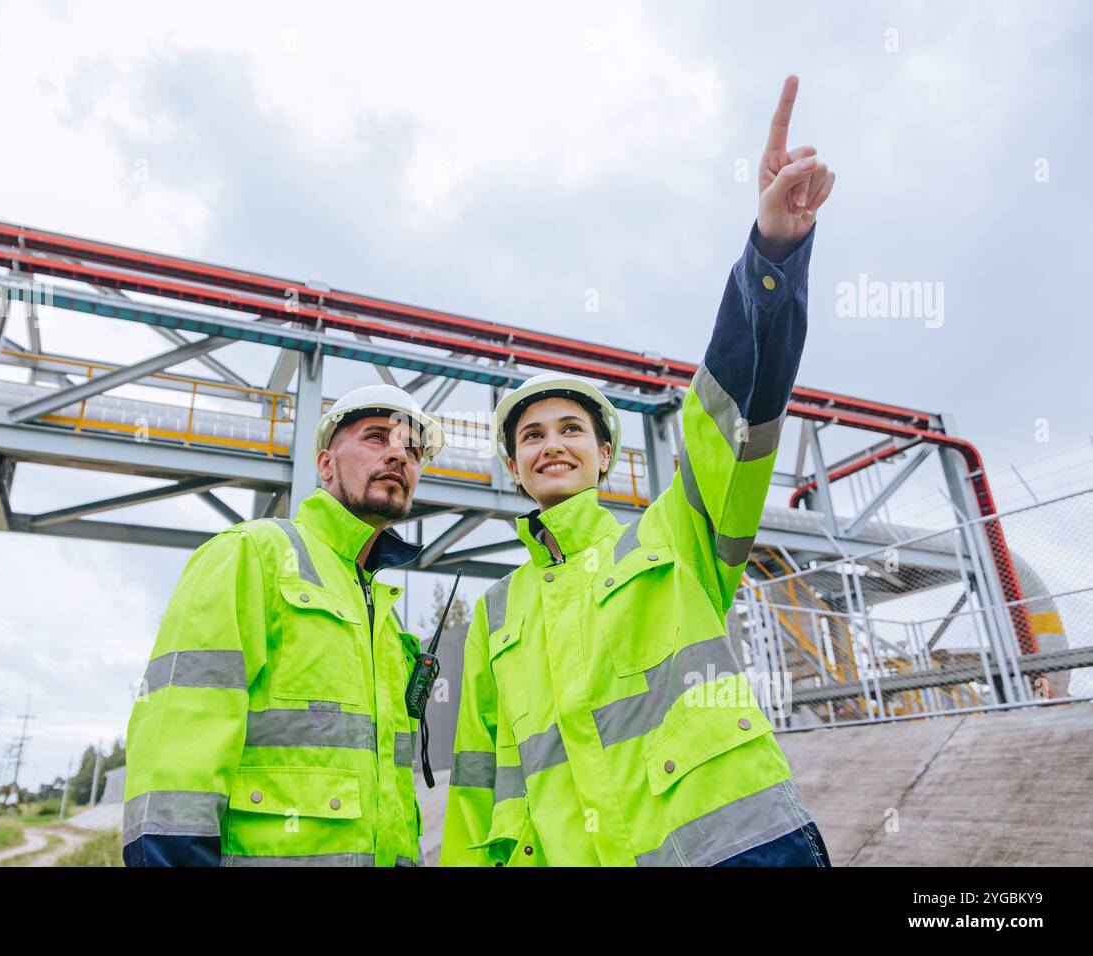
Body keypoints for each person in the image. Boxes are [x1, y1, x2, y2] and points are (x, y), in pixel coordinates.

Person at [440, 75, 835, 867]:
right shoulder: (492, 616)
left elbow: (732, 413)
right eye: (533, 437)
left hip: (735, 855)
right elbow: (478, 787)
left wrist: (772, 254)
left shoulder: (674, 540)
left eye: (570, 431)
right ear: (516, 470)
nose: (551, 444)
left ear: (602, 456)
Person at [122, 384, 445, 866]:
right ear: (325, 465)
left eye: (413, 449)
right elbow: (180, 735)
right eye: (377, 437)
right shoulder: (252, 554)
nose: (400, 455)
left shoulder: (382, 615)